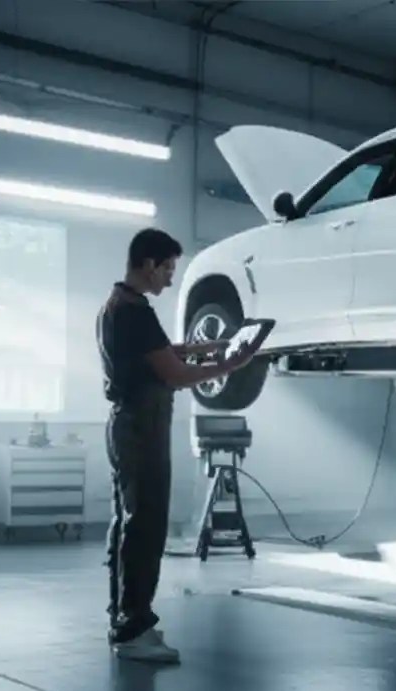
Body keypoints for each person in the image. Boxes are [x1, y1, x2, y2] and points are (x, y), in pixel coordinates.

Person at [96, 227, 259, 664]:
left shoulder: (118, 307)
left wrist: (204, 347)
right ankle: (134, 628)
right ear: (147, 264)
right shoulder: (135, 313)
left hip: (127, 425)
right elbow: (174, 375)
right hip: (142, 428)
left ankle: (126, 618)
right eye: (167, 268)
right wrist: (232, 363)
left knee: (130, 524)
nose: (169, 278)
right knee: (146, 527)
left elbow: (160, 355)